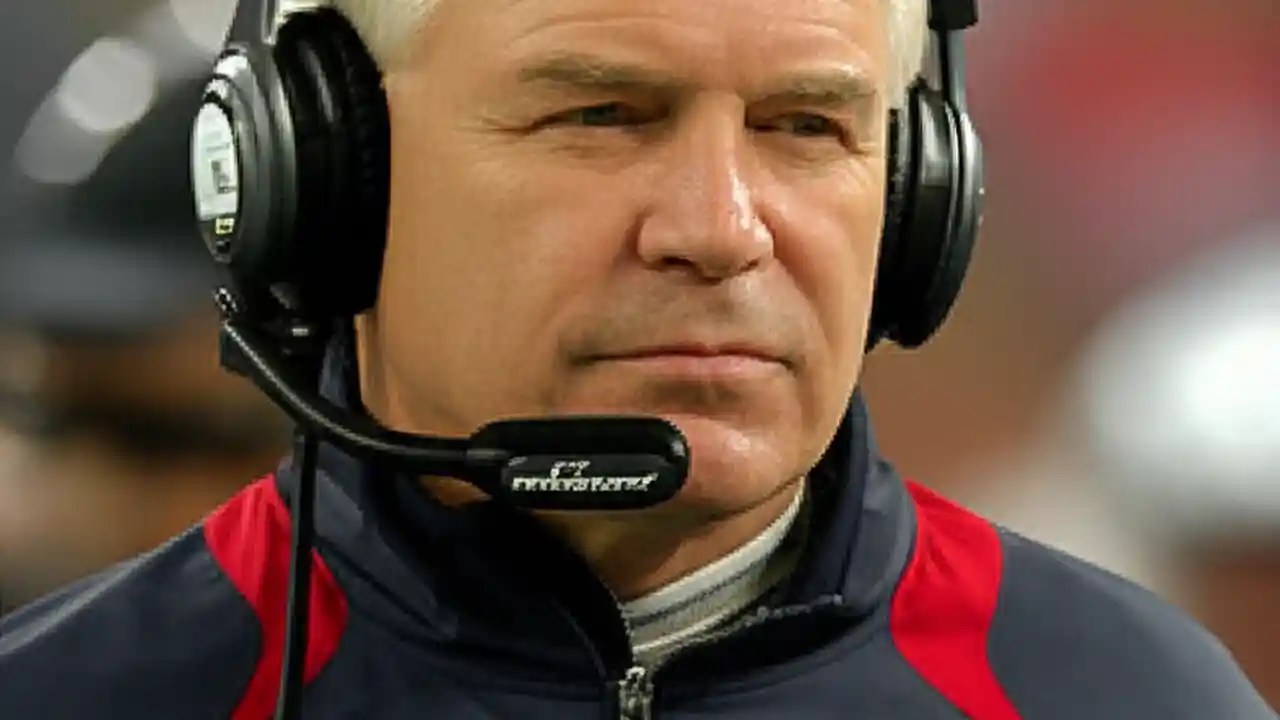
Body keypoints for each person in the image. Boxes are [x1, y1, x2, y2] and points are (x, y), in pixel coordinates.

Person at [0, 1, 1273, 719]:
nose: (718, 230)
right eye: (599, 114)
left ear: (918, 193)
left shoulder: (1131, 700)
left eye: (803, 126)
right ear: (329, 183)